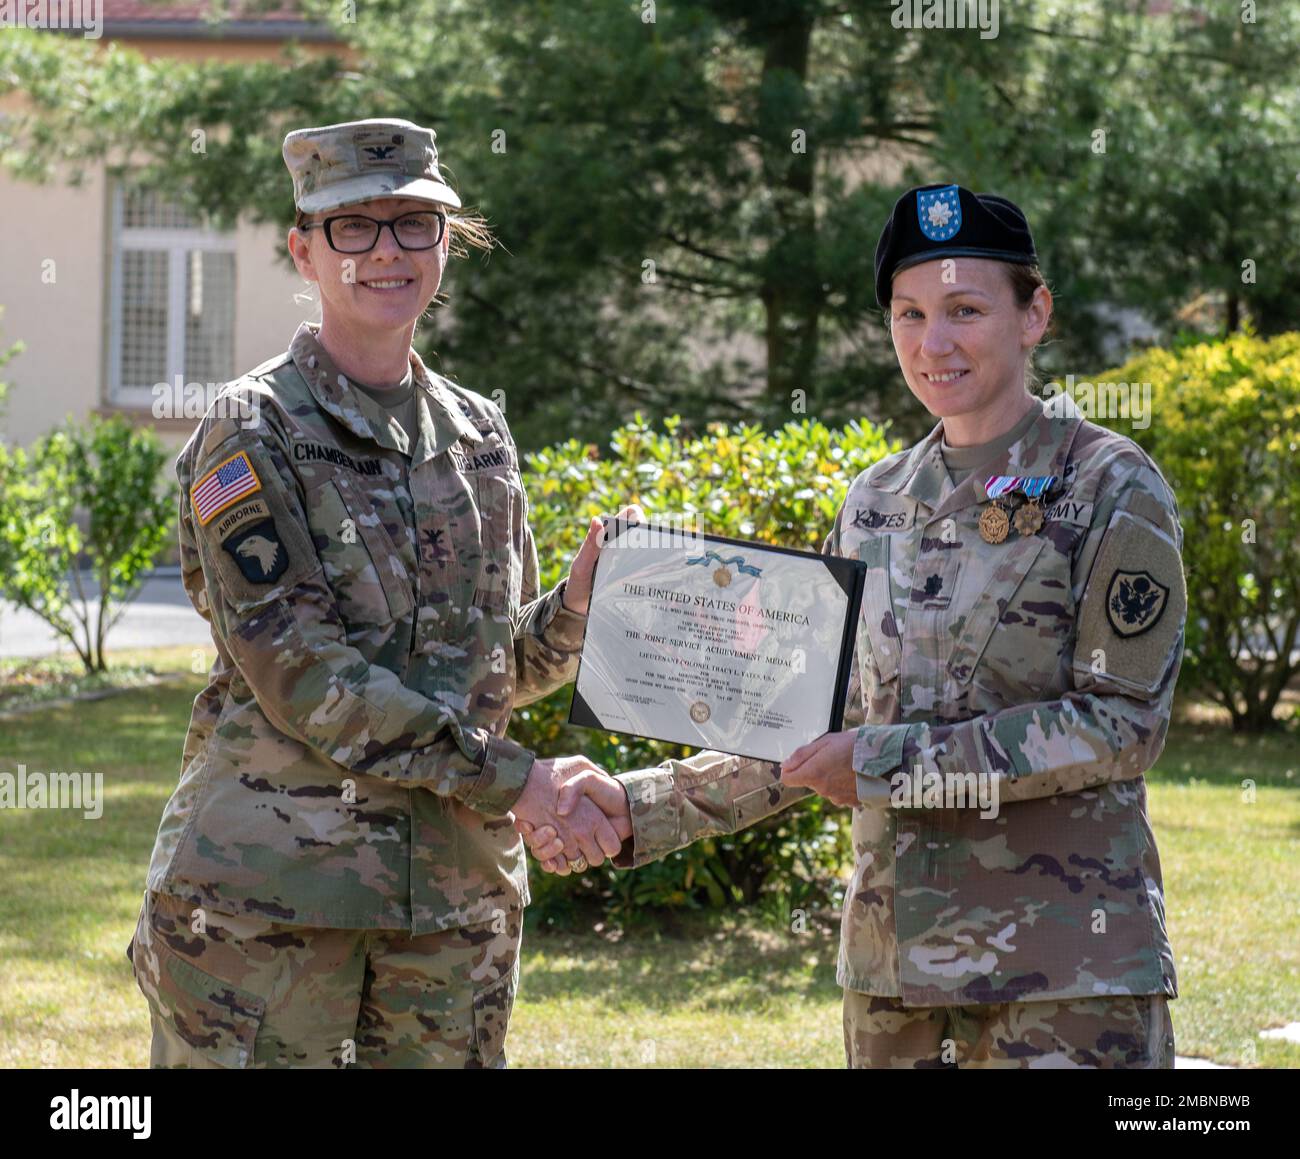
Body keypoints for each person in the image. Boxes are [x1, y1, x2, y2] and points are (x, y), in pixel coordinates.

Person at [525, 183, 1187, 1069]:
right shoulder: (876, 502)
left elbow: (1121, 727)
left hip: (1062, 979)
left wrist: (883, 762)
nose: (933, 341)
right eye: (909, 314)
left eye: (965, 309)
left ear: (1035, 315)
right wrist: (639, 804)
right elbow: (801, 720)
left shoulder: (1110, 485)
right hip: (892, 978)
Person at [127, 117, 635, 1068]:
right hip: (273, 912)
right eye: (352, 227)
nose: (386, 251)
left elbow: (496, 670)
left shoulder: (479, 433)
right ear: (304, 250)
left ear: (447, 243)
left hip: (451, 911)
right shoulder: (251, 430)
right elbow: (306, 677)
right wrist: (522, 782)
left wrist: (573, 607)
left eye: (413, 224)